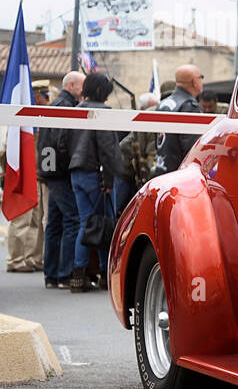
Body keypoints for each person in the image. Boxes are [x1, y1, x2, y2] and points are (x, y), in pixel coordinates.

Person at [68, 72, 128, 292]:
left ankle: (78, 275)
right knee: (105, 223)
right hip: (96, 174)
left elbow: (64, 142)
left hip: (76, 172)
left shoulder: (75, 111)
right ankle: (105, 274)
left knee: (86, 223)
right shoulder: (104, 112)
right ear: (102, 91)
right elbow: (109, 150)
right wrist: (110, 179)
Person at [38, 71, 84, 289]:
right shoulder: (67, 107)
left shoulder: (54, 106)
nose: (83, 91)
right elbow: (62, 142)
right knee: (72, 220)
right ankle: (64, 274)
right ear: (72, 85)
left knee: (54, 224)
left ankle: (52, 275)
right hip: (61, 173)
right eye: (81, 86)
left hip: (51, 172)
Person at [4, 81, 50, 273]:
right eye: (45, 96)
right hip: (23, 174)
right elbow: (8, 149)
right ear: (36, 97)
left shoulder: (40, 119)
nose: (48, 100)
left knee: (35, 220)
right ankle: (15, 259)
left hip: (38, 175)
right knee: (22, 218)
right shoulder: (20, 119)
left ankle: (32, 257)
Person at [156, 65, 203, 172]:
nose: (202, 81)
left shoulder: (164, 103)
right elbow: (192, 147)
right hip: (178, 172)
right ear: (194, 81)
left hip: (162, 166)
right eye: (201, 77)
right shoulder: (188, 106)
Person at [117, 92, 159, 210]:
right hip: (125, 172)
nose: (155, 110)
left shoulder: (147, 120)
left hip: (129, 171)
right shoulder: (149, 120)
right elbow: (151, 154)